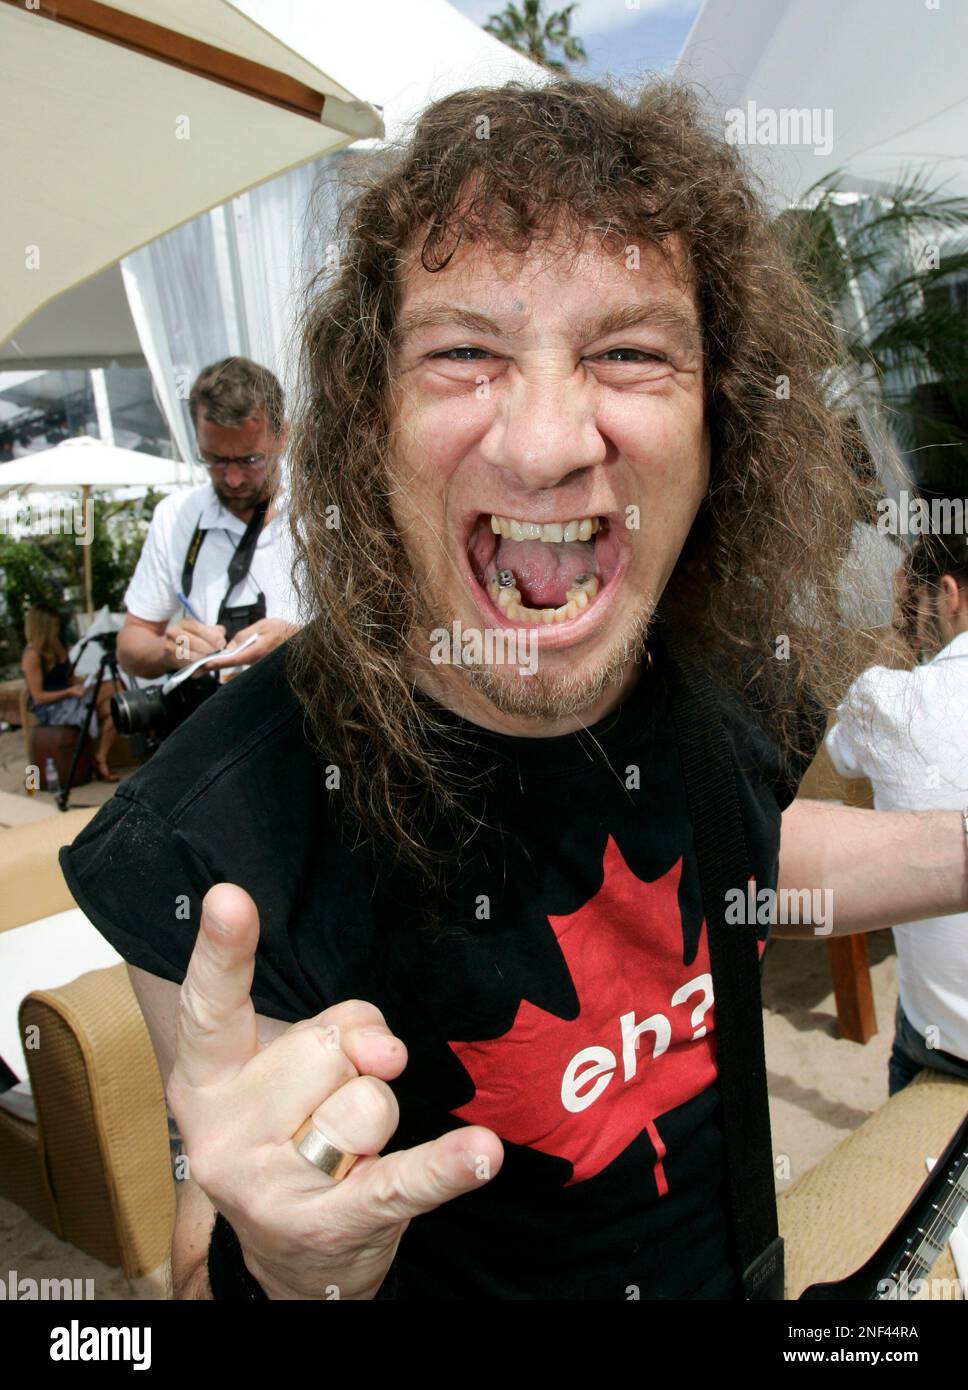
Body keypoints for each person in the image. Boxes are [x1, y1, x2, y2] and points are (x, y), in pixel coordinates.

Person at [59, 78, 968, 1301]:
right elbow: (195, 1250)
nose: (544, 444)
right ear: (368, 428)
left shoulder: (705, 679)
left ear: (724, 425)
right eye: (465, 352)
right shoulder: (219, 841)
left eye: (630, 350)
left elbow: (738, 855)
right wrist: (287, 1263)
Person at [826, 532, 968, 1095]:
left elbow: (840, 752)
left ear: (949, 596)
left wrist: (901, 635)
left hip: (944, 1046)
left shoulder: (886, 700)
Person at [117, 356, 302, 683]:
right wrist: (167, 650)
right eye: (215, 460)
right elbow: (132, 643)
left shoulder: (323, 510)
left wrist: (300, 641)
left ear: (283, 435)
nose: (232, 479)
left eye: (250, 459)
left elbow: (384, 623)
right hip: (217, 719)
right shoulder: (175, 516)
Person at [21, 602, 118, 782]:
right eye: (54, 626)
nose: (58, 629)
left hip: (71, 695)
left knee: (113, 708)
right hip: (52, 707)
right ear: (44, 627)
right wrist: (69, 692)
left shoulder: (58, 643)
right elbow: (38, 697)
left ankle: (100, 757)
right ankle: (99, 760)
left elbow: (68, 678)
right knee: (113, 688)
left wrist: (85, 681)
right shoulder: (32, 655)